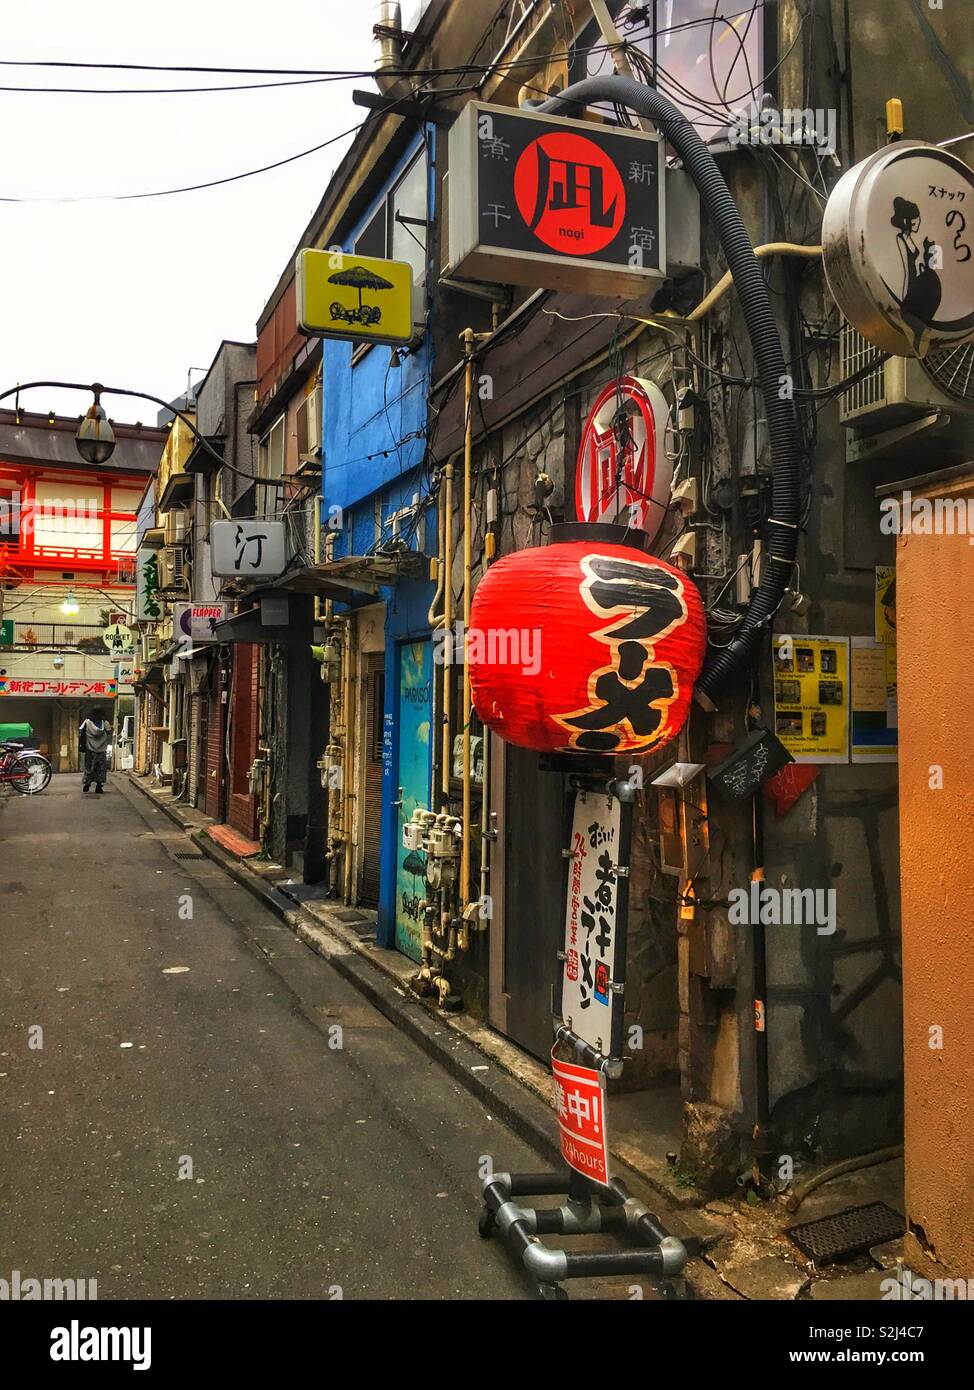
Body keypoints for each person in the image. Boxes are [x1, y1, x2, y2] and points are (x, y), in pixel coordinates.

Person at [80, 707, 111, 793]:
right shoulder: (105, 722)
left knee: (89, 767)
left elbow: (81, 730)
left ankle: (87, 783)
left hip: (90, 749)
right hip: (101, 750)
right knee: (101, 768)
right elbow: (109, 732)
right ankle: (99, 786)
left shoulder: (87, 722)